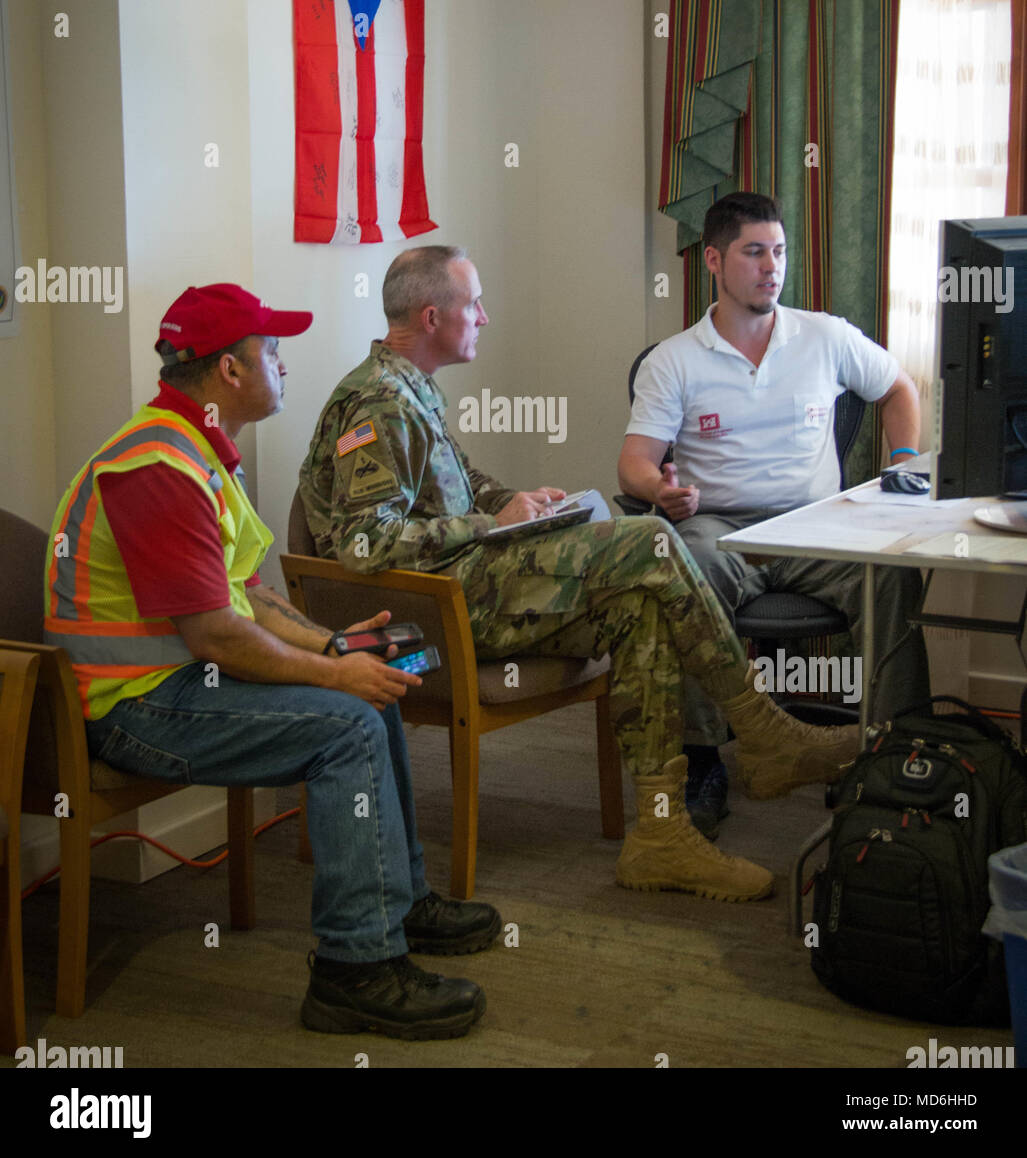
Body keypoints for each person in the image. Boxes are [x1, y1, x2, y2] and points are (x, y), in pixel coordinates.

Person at [299, 245, 861, 907]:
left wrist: (518, 504)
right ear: (430, 317)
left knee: (638, 608)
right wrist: (488, 526)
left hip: (469, 587)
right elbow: (366, 543)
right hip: (430, 619)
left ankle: (660, 836)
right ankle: (761, 729)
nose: (484, 316)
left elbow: (454, 488)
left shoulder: (409, 387)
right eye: (473, 304)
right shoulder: (377, 401)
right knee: (649, 540)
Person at [45, 282, 502, 1042]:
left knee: (374, 687)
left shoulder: (196, 449)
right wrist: (334, 676)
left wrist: (336, 645)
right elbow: (216, 636)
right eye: (273, 351)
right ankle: (353, 973)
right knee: (347, 724)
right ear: (231, 369)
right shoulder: (157, 465)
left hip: (175, 682)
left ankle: (400, 899)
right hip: (132, 706)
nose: (283, 365)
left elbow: (245, 595)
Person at [617, 192, 930, 837]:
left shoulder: (823, 336)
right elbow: (635, 462)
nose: (771, 267)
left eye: (779, 252)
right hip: (722, 530)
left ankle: (896, 751)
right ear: (714, 259)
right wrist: (660, 491)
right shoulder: (674, 360)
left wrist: (900, 463)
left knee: (893, 574)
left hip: (818, 524)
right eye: (754, 252)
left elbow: (899, 387)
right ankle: (703, 758)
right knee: (685, 572)